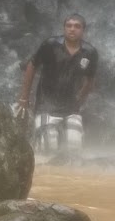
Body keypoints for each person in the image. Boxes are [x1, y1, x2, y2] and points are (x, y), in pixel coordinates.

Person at [18, 13, 99, 154]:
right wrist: (24, 98)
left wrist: (80, 100)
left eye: (77, 26)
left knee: (74, 149)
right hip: (46, 105)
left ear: (83, 30)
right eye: (69, 26)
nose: (72, 29)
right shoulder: (50, 45)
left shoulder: (90, 52)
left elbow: (90, 80)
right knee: (49, 147)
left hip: (71, 108)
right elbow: (32, 66)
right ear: (64, 28)